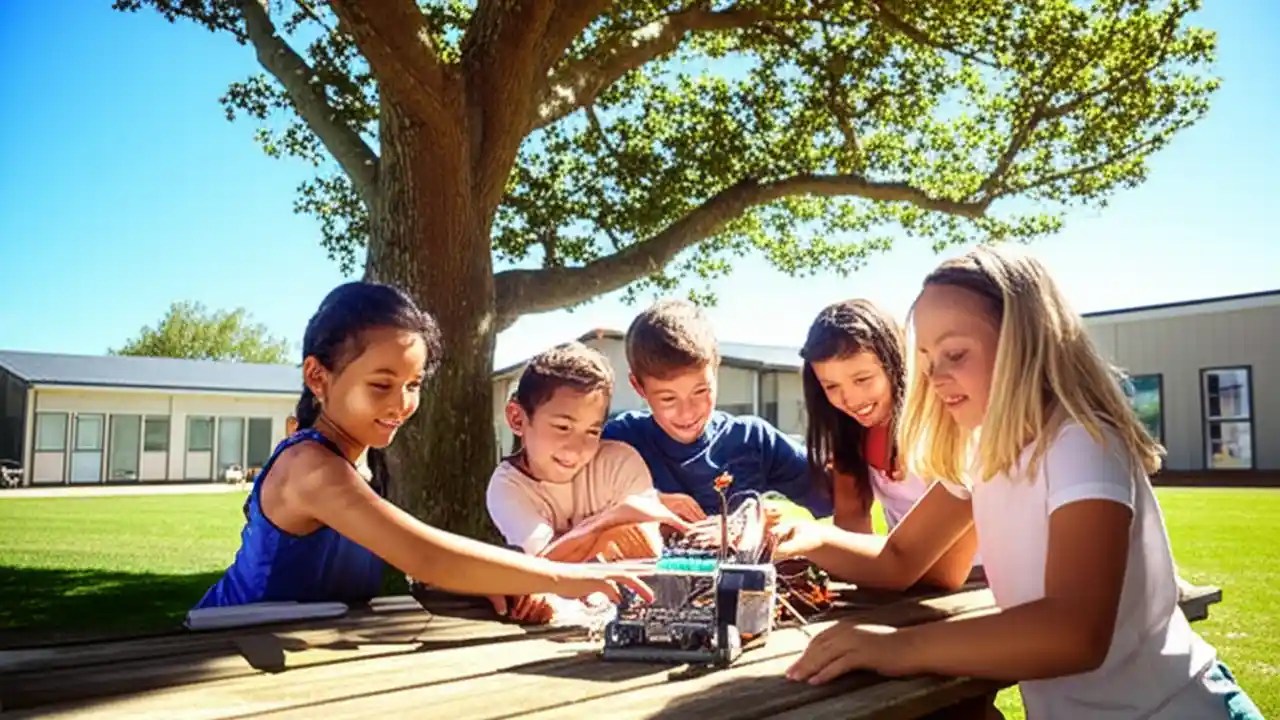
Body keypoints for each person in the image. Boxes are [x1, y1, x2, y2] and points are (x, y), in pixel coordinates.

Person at [777, 246, 1261, 719]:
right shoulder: (981, 452)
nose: (933, 377)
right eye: (925, 357)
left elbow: (1073, 634)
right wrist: (811, 537)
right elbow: (900, 559)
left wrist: (899, 647)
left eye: (955, 353)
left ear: (1022, 340)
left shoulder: (1082, 440)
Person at [194, 281, 651, 612]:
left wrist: (473, 583)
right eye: (381, 384)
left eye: (413, 384)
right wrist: (571, 577)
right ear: (318, 376)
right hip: (225, 645)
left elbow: (406, 568)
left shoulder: (359, 464)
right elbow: (425, 554)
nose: (401, 403)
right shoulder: (308, 467)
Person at [486, 341, 693, 623]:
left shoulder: (620, 462)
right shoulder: (508, 488)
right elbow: (543, 571)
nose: (576, 449)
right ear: (517, 418)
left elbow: (646, 562)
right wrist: (607, 524)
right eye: (562, 427)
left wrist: (584, 550)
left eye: (591, 431)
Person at [800, 298, 978, 589]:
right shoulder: (850, 437)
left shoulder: (944, 423)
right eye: (831, 386)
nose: (849, 399)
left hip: (975, 581)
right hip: (905, 581)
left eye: (862, 379)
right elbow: (852, 525)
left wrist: (816, 541)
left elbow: (945, 574)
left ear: (895, 364)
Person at [602, 298, 831, 520]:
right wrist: (649, 503)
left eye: (701, 391)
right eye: (668, 399)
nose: (688, 412)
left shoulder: (752, 441)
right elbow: (573, 511)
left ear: (716, 367)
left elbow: (840, 496)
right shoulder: (619, 440)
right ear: (638, 387)